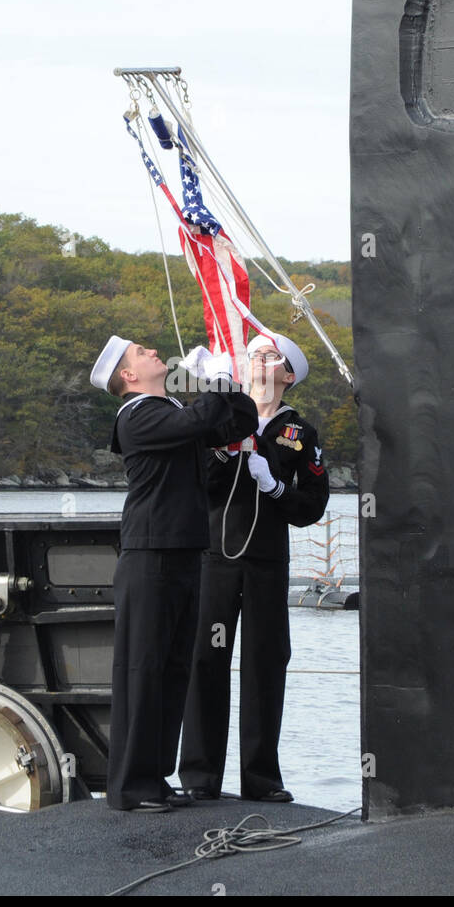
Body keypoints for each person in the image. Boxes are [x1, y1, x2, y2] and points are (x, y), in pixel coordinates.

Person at [90, 335, 257, 812]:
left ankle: (154, 778)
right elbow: (201, 419)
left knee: (172, 670)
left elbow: (235, 424)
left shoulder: (172, 411)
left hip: (183, 551)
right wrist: (218, 383)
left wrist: (231, 388)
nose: (153, 353)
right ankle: (129, 785)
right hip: (150, 554)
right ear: (128, 376)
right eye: (142, 353)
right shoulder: (138, 414)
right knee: (142, 671)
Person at [179, 332, 330, 803]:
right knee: (206, 660)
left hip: (265, 561)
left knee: (266, 662)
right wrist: (227, 449)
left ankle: (261, 778)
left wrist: (275, 487)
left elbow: (312, 505)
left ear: (288, 375)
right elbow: (193, 481)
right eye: (252, 355)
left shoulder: (300, 435)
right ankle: (200, 777)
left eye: (269, 356)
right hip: (216, 558)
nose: (258, 361)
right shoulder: (220, 417)